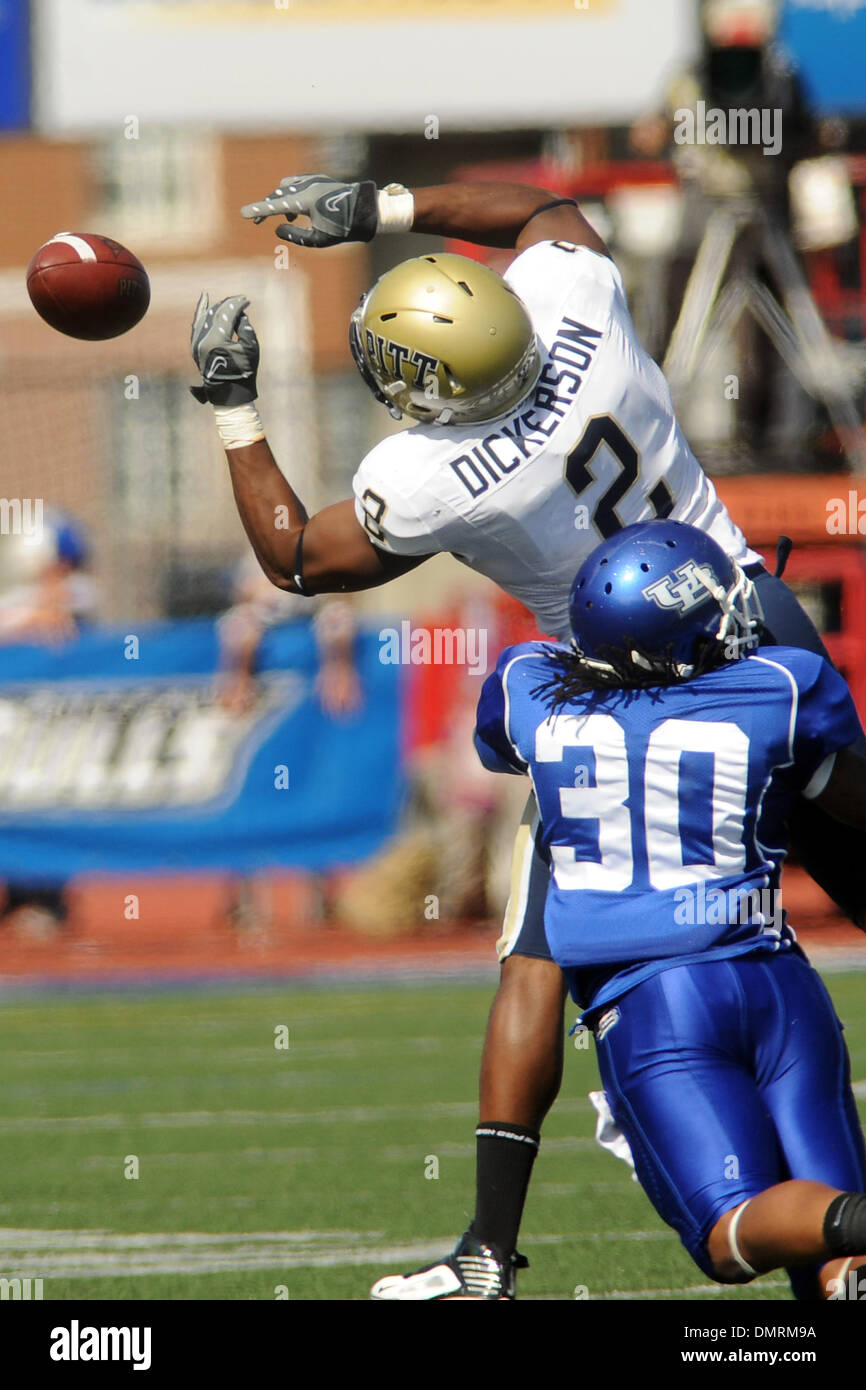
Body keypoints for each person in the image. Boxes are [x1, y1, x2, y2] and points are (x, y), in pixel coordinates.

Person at [188, 174, 866, 1300]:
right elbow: (542, 209)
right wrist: (381, 204)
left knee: (537, 957)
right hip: (759, 633)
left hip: (614, 699)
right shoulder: (581, 310)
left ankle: (486, 1253)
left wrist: (231, 406)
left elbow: (296, 557)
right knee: (844, 862)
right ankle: (832, 1264)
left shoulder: (434, 477)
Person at [461, 519, 866, 1302]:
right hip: (778, 984)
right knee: (836, 1273)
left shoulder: (527, 688)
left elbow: (505, 737)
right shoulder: (780, 688)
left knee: (731, 1234)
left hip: (656, 1002)